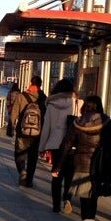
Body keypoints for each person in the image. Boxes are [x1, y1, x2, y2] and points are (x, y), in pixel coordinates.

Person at [52, 94, 111, 221]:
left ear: (85, 108)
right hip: (101, 168)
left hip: (82, 166)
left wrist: (57, 167)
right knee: (93, 197)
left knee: (85, 198)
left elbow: (66, 145)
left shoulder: (77, 123)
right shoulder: (109, 124)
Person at [38, 78, 78, 213]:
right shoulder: (78, 103)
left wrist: (42, 147)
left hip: (56, 145)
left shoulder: (51, 105)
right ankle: (67, 199)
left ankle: (56, 206)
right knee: (69, 175)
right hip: (72, 145)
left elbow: (46, 128)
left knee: (56, 174)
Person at [9, 75, 46, 187]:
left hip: (22, 132)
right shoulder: (44, 98)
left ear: (30, 83)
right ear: (40, 85)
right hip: (37, 133)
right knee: (33, 157)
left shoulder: (21, 96)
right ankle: (29, 180)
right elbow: (45, 117)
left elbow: (14, 113)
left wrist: (10, 128)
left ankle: (22, 171)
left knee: (19, 154)